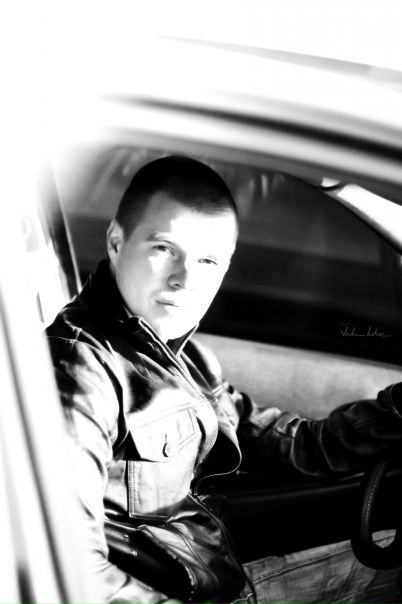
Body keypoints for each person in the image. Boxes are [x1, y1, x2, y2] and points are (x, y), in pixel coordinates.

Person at [46, 155, 402, 604]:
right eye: (164, 249)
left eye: (208, 261)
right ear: (116, 242)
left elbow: (298, 447)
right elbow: (71, 570)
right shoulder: (79, 372)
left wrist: (397, 411)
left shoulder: (183, 355)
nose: (185, 279)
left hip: (222, 577)